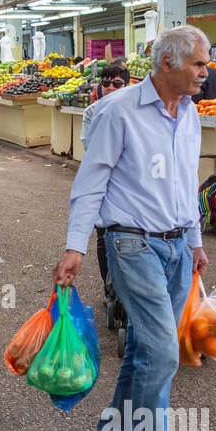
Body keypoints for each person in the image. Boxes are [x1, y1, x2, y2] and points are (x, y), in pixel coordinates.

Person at [53, 25, 211, 431]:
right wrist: (76, 246)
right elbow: (91, 181)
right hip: (131, 243)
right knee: (163, 352)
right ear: (168, 63)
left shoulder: (189, 114)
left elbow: (187, 181)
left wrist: (196, 240)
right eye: (199, 65)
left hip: (176, 247)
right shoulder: (117, 112)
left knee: (147, 348)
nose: (206, 74)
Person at [78, 61, 132, 286]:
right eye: (106, 83)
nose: (110, 88)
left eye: (117, 84)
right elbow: (91, 147)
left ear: (128, 86)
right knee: (104, 234)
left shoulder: (138, 112)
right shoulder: (91, 112)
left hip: (132, 186)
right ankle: (108, 285)